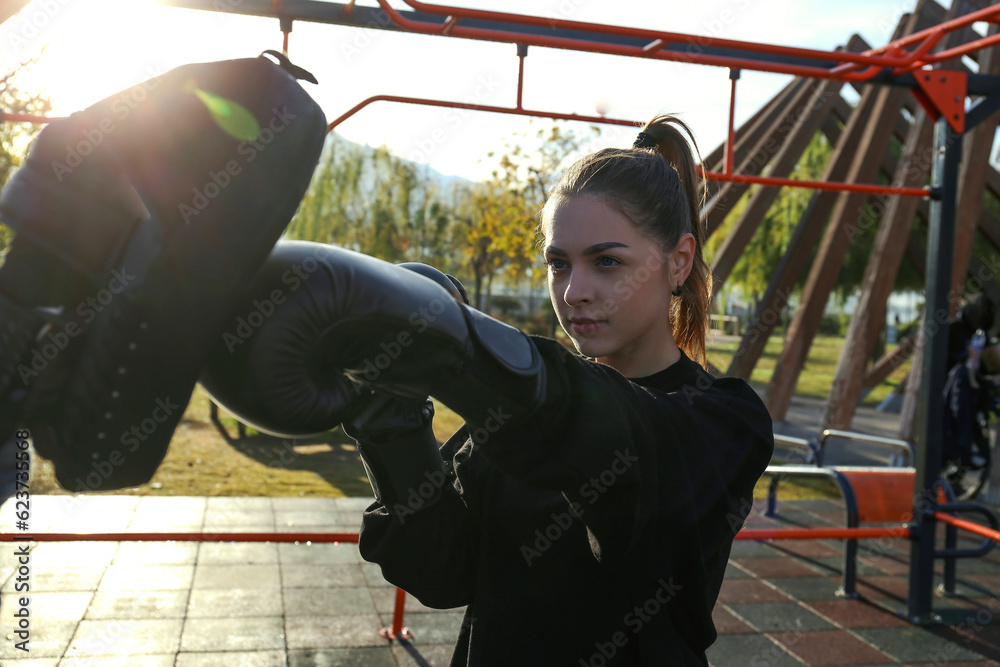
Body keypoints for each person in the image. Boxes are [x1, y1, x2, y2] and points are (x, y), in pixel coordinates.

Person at [343, 115, 774, 665]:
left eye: (608, 261)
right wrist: (386, 415)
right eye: (558, 263)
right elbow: (444, 573)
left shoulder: (725, 421)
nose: (574, 292)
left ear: (679, 262)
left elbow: (620, 445)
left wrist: (460, 343)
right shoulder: (520, 411)